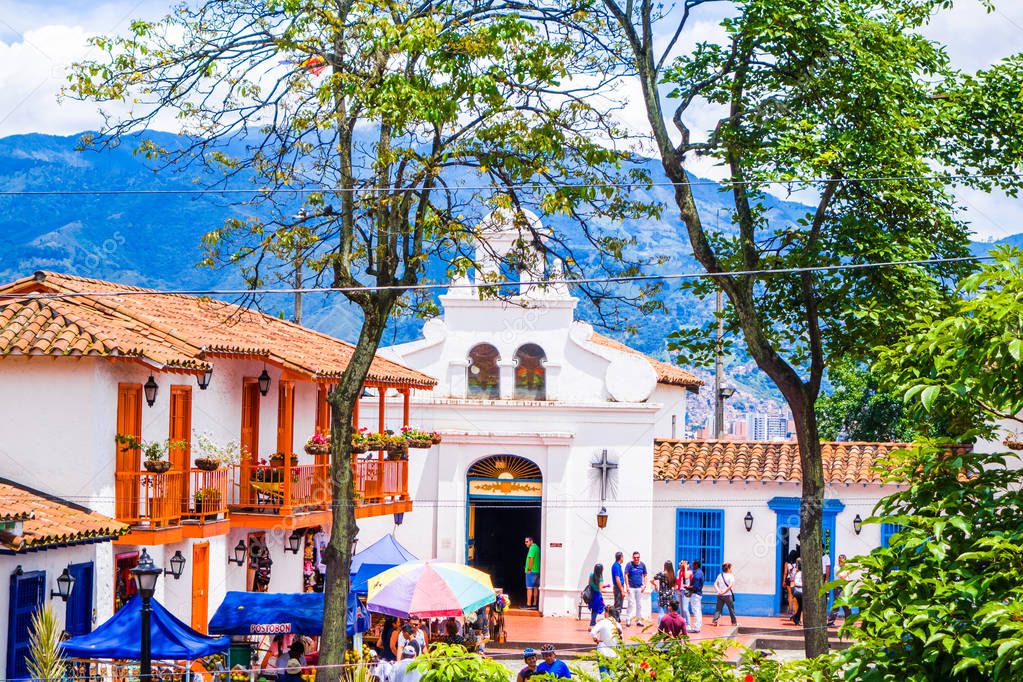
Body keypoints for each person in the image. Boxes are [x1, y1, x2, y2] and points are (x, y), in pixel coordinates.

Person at [590, 605, 621, 677]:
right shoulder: (617, 624)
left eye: (605, 612)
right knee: (613, 676)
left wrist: (596, 638)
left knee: (604, 676)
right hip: (614, 654)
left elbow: (592, 632)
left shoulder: (603, 622)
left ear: (607, 613)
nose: (604, 614)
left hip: (603, 652)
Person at [624, 551, 648, 627]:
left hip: (639, 588)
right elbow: (626, 575)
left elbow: (645, 575)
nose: (636, 559)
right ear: (632, 557)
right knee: (630, 604)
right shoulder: (629, 565)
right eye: (635, 557)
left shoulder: (642, 565)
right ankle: (628, 619)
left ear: (639, 558)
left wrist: (644, 585)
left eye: (637, 557)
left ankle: (639, 620)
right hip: (631, 588)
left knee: (639, 604)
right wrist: (627, 586)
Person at [828, 554, 852, 626]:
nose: (840, 562)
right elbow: (842, 577)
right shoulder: (836, 567)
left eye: (841, 561)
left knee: (847, 606)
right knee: (837, 606)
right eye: (839, 560)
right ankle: (830, 622)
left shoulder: (846, 567)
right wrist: (848, 571)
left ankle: (848, 622)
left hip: (846, 589)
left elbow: (848, 578)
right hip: (839, 589)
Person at [711, 562, 737, 626]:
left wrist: (719, 591)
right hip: (728, 595)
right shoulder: (731, 576)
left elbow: (715, 584)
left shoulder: (720, 575)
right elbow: (730, 586)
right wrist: (724, 592)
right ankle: (734, 622)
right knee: (731, 609)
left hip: (720, 595)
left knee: (718, 609)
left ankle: (715, 621)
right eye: (730, 568)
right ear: (728, 569)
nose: (731, 569)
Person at [586, 563, 607, 627]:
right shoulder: (600, 578)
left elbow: (589, 584)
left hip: (592, 594)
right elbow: (600, 590)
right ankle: (592, 624)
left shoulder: (591, 575)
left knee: (593, 610)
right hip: (597, 596)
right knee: (596, 610)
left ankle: (592, 623)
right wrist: (605, 591)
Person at [687, 560, 705, 633]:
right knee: (698, 610)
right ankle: (698, 626)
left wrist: (687, 587)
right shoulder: (700, 572)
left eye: (693, 564)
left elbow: (695, 587)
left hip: (696, 594)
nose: (692, 566)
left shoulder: (697, 574)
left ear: (696, 565)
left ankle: (696, 627)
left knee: (696, 611)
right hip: (698, 594)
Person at [524, 537, 541, 609]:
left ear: (531, 541)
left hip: (531, 571)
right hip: (537, 571)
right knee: (535, 588)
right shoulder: (537, 548)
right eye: (525, 542)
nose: (526, 543)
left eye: (527, 541)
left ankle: (528, 604)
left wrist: (529, 569)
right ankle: (534, 603)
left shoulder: (532, 548)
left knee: (529, 588)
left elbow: (531, 558)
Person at [676, 560, 692, 629]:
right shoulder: (679, 571)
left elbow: (686, 577)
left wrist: (685, 567)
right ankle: (682, 622)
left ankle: (688, 624)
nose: (681, 565)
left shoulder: (689, 572)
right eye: (681, 563)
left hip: (686, 591)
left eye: (683, 563)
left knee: (685, 608)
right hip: (679, 590)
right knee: (681, 608)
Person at [783, 548, 799, 613]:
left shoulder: (787, 563)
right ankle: (795, 610)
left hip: (788, 579)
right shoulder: (797, 563)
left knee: (789, 594)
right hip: (795, 580)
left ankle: (790, 609)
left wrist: (783, 581)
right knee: (795, 595)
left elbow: (785, 573)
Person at [611, 552, 625, 619]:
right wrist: (622, 590)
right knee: (618, 605)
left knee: (619, 604)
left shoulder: (617, 566)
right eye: (623, 557)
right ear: (621, 557)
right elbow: (617, 579)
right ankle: (615, 620)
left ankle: (617, 619)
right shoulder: (616, 566)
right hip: (618, 587)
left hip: (619, 587)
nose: (623, 559)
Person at [791, 559, 805, 626]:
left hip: (800, 591)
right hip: (800, 591)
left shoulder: (798, 572)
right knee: (802, 606)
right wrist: (804, 585)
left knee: (801, 607)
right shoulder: (799, 573)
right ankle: (798, 619)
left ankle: (796, 618)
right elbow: (796, 583)